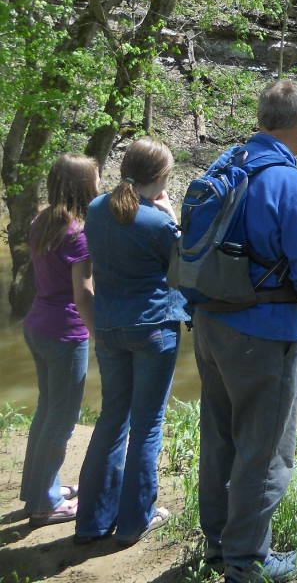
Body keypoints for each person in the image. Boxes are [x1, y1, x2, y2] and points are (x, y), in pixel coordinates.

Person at [193, 79, 297, 583]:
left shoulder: (226, 165)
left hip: (208, 323)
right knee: (266, 445)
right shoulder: (290, 182)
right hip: (263, 332)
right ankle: (248, 561)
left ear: (261, 118)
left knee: (220, 434)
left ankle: (217, 545)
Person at [74, 137, 188, 546]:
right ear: (160, 179)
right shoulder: (157, 222)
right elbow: (181, 268)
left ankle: (91, 522)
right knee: (147, 427)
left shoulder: (95, 209)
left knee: (111, 420)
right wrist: (172, 215)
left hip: (108, 328)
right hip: (153, 328)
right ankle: (135, 521)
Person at [20, 154, 99, 526]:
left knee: (47, 410)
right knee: (62, 420)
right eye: (96, 178)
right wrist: (98, 333)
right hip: (65, 332)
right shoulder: (78, 232)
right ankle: (45, 504)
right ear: (85, 186)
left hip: (36, 324)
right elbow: (83, 294)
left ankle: (38, 488)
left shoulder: (42, 219)